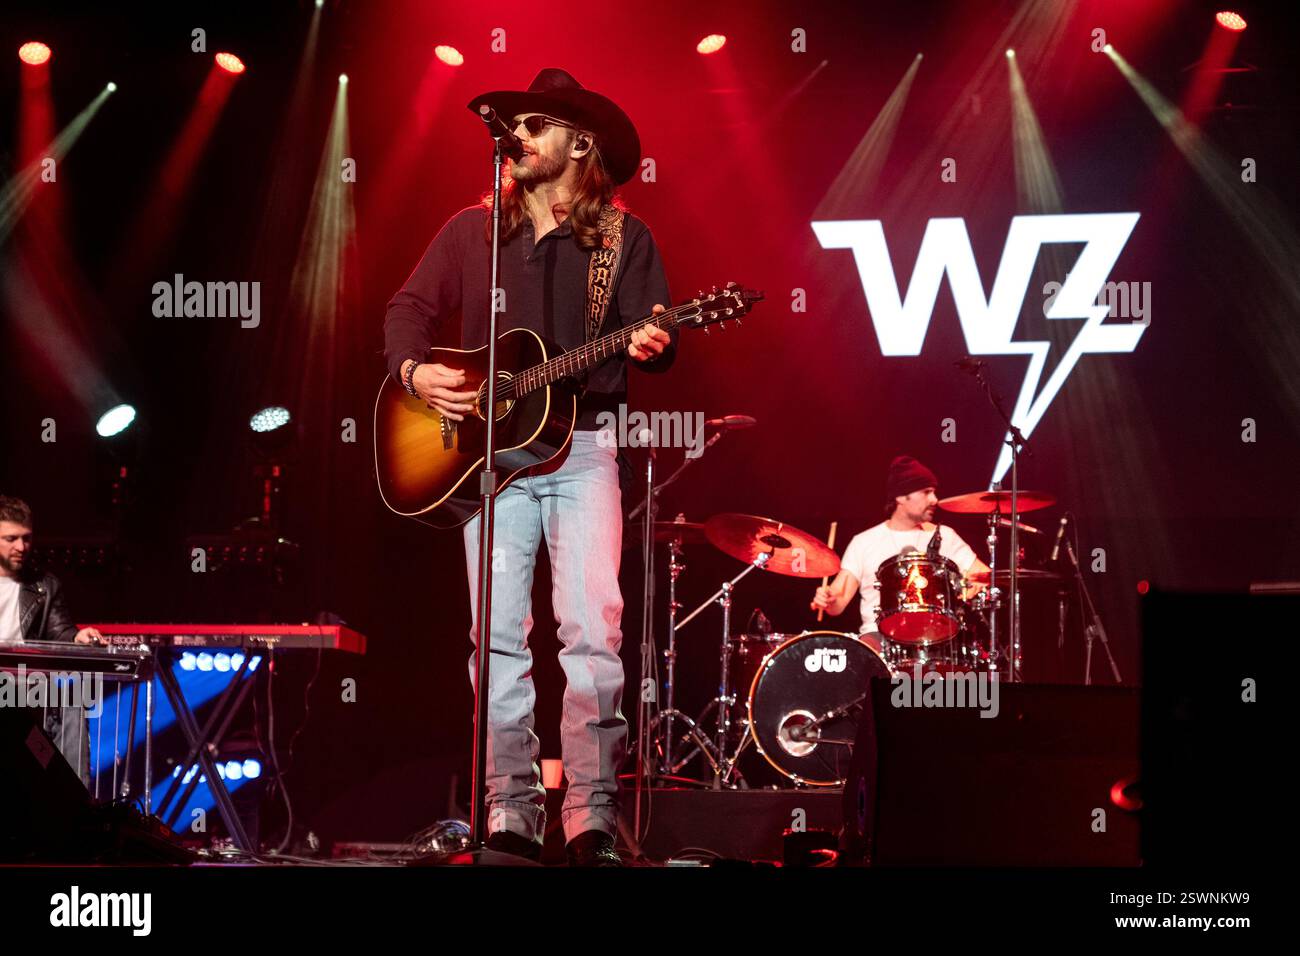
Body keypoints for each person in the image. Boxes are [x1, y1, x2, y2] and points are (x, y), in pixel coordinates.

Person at [384, 68, 676, 866]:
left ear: (581, 144)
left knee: (590, 633)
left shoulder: (624, 239)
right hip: (486, 456)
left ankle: (590, 817)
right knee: (497, 638)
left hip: (583, 449)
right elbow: (406, 310)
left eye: (535, 124)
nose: (517, 138)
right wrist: (414, 374)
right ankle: (508, 810)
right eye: (513, 127)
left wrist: (654, 338)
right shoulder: (470, 231)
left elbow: (653, 332)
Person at [810, 456, 989, 646]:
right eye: (927, 492)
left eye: (934, 492)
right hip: (878, 638)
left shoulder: (945, 535)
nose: (935, 499)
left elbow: (984, 576)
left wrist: (970, 586)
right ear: (901, 497)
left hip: (936, 637)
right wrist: (828, 599)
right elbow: (838, 601)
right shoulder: (863, 542)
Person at [0, 495, 104, 785]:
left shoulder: (45, 585)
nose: (21, 547)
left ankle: (76, 802)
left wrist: (78, 636)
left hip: (23, 686)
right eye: (11, 539)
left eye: (26, 539)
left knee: (72, 700)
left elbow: (60, 633)